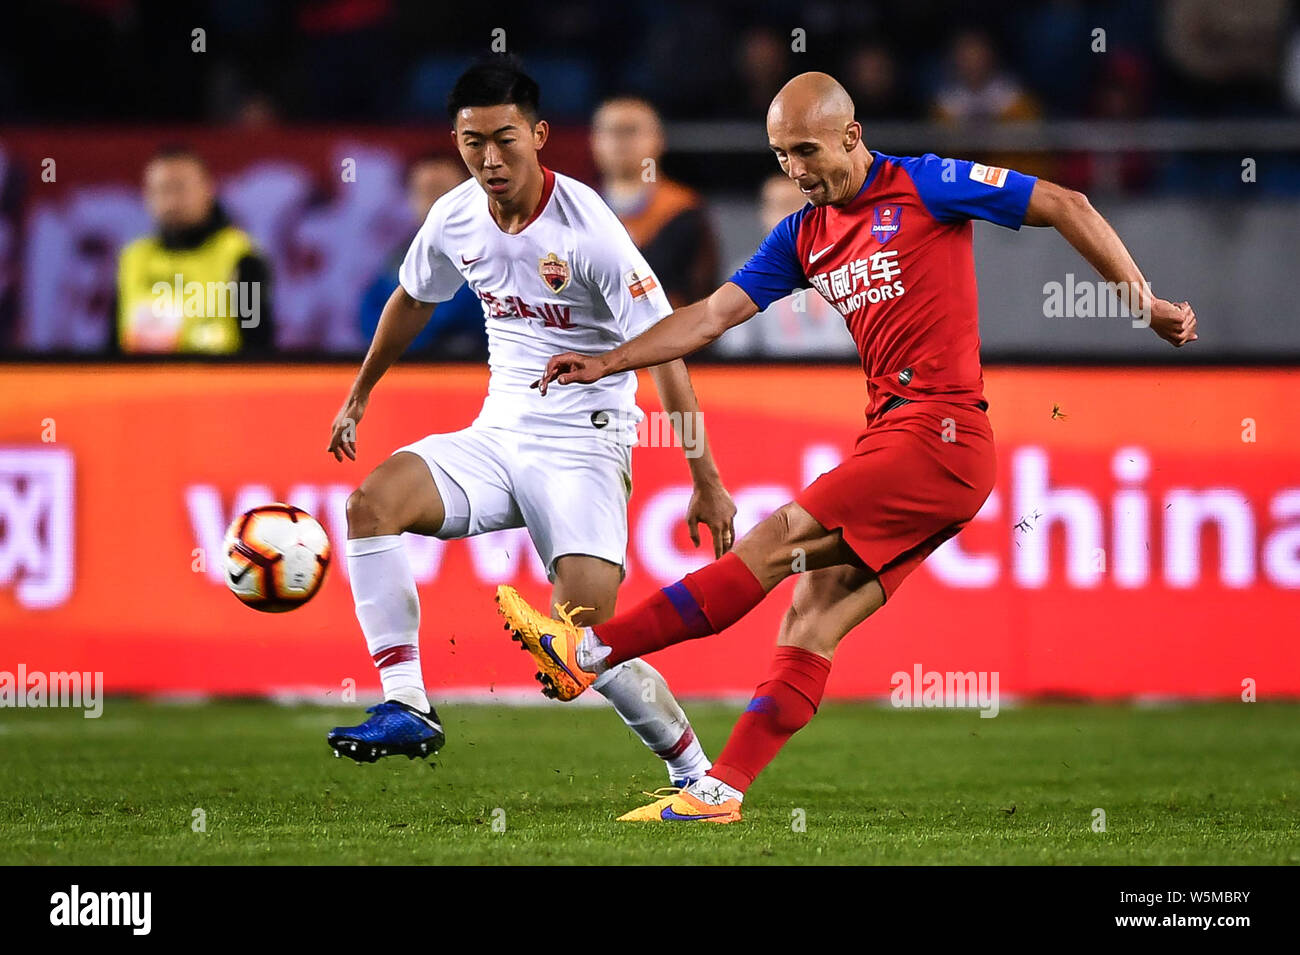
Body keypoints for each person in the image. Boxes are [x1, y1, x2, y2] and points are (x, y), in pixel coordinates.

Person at [498, 71, 1198, 823]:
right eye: (779, 156)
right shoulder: (802, 232)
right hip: (912, 443)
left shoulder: (926, 184)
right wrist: (608, 360)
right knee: (812, 615)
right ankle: (721, 788)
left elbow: (1067, 203)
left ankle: (590, 651)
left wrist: (1143, 302)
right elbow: (706, 317)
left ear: (851, 135)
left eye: (805, 150)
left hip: (940, 433)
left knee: (770, 542)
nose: (795, 170)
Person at [325, 60, 736, 789]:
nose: (489, 159)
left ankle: (696, 775)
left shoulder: (591, 232)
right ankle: (408, 703)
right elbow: (412, 299)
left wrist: (704, 475)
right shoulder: (454, 215)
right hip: (498, 433)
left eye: (505, 140)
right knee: (370, 505)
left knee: (586, 638)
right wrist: (360, 394)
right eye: (472, 141)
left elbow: (669, 347)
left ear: (540, 136)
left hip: (584, 443)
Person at [115, 145, 273, 354]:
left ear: (208, 188)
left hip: (217, 384)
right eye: (161, 189)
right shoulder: (133, 259)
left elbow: (258, 345)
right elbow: (112, 348)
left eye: (180, 187)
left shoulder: (241, 257)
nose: (171, 200)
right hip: (142, 384)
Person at [711, 173, 857, 358]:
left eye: (799, 204)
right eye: (781, 206)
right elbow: (734, 351)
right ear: (764, 214)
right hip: (769, 381)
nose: (790, 217)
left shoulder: (856, 267)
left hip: (844, 378)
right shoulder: (744, 274)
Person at [590, 96, 717, 308]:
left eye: (631, 131)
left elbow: (702, 295)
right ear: (594, 141)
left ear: (658, 139)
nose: (620, 142)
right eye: (610, 131)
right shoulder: (580, 209)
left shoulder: (683, 210)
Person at [357, 154, 486, 357]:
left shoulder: (497, 251)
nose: (436, 203)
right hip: (409, 372)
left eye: (444, 192)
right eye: (425, 193)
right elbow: (370, 321)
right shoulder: (396, 261)